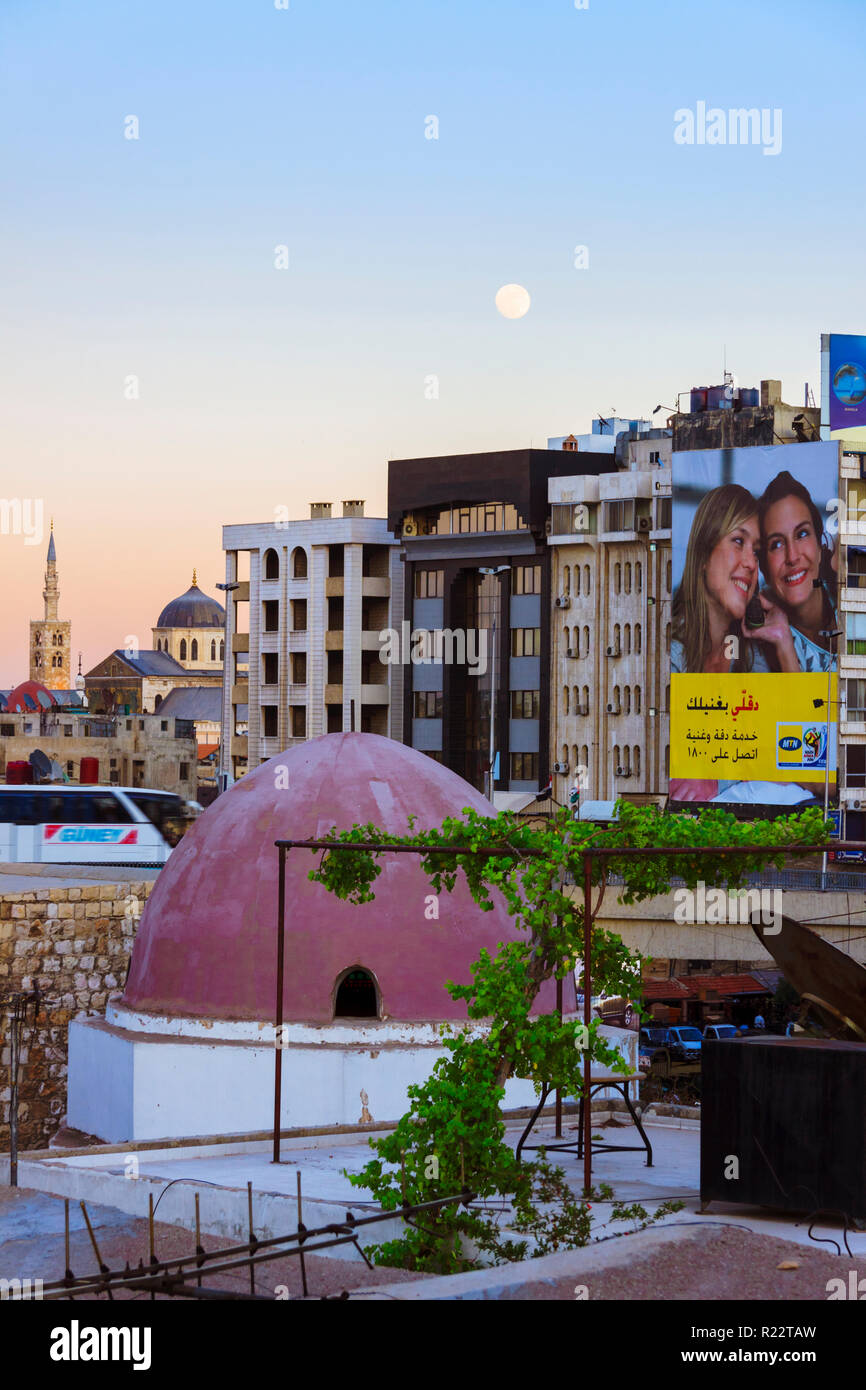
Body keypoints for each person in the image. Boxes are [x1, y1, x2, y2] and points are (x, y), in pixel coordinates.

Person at [670, 484, 801, 800]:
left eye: (756, 551)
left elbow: (804, 754)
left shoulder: (750, 658)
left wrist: (783, 643)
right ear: (703, 555)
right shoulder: (668, 651)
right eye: (738, 542)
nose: (750, 563)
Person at [757, 470, 839, 674]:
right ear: (764, 569)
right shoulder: (759, 647)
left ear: (820, 547)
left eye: (802, 534)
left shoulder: (845, 587)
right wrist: (784, 644)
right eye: (776, 544)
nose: (792, 557)